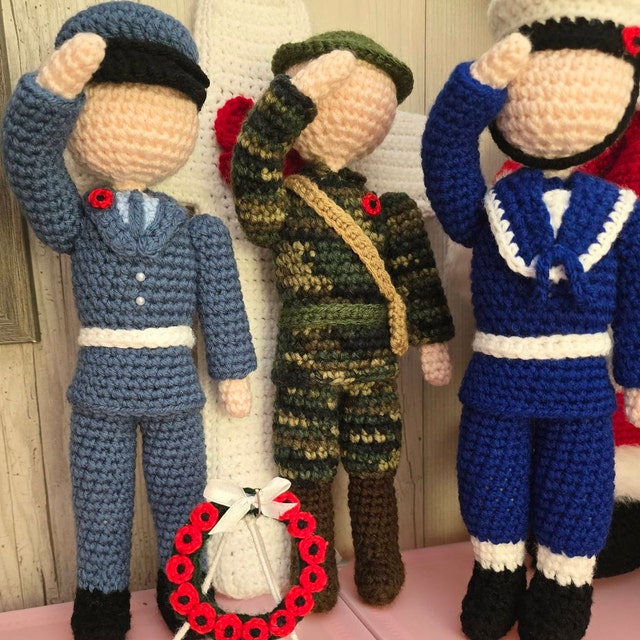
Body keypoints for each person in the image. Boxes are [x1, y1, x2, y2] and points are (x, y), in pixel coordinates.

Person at [1, 3, 256, 639]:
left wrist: (233, 373)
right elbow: (28, 163)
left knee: (182, 497)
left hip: (175, 393)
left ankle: (184, 590)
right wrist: (49, 95)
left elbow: (222, 305)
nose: (141, 128)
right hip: (99, 394)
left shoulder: (197, 229)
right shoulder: (78, 219)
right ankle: (101, 599)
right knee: (99, 500)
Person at [423, 2, 640, 639]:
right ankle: (494, 577)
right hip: (498, 384)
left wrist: (633, 376)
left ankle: (563, 591)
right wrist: (473, 89)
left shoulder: (621, 212)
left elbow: (635, 302)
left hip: (582, 391)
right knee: (489, 481)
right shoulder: (490, 208)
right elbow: (444, 156)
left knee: (579, 490)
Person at [231, 31, 454, 611]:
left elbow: (417, 278)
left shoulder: (390, 211)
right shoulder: (283, 202)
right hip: (305, 366)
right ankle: (314, 570)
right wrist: (292, 99)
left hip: (375, 364)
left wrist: (431, 340)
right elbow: (251, 168)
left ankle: (380, 559)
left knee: (375, 465)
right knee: (306, 470)